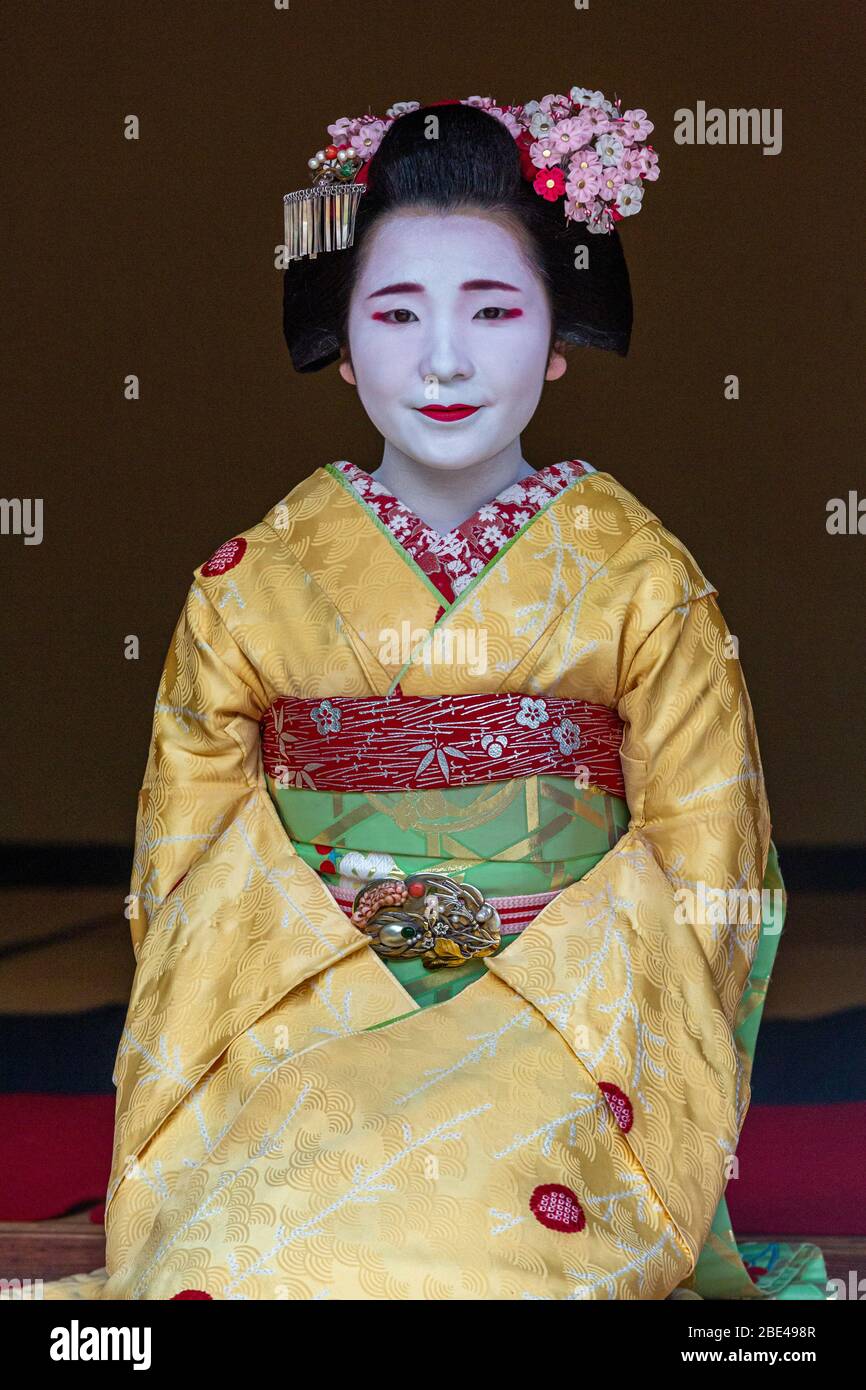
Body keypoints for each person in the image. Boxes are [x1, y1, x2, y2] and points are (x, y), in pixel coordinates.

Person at [36, 92, 826, 1300]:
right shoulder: (252, 582)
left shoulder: (638, 577)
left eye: (494, 310)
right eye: (396, 313)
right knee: (240, 1254)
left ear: (556, 336)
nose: (444, 359)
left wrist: (544, 985)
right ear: (342, 344)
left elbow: (705, 854)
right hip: (300, 1016)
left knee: (491, 1249)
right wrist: (345, 983)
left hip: (569, 1026)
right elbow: (185, 871)